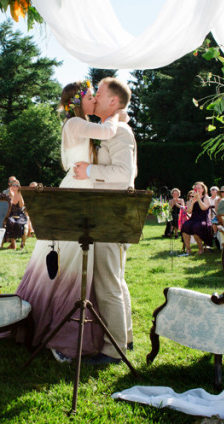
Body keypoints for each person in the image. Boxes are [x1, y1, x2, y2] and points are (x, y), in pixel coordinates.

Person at [15, 79, 125, 363]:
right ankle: (62, 329)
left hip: (87, 188)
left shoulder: (83, 124)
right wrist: (118, 115)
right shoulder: (74, 124)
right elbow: (108, 129)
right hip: (79, 190)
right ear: (79, 101)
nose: (95, 98)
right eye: (91, 95)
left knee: (81, 265)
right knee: (69, 264)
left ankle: (100, 334)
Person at [73, 77, 136, 365]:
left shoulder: (121, 132)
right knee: (116, 279)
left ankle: (112, 351)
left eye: (98, 93)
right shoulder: (112, 130)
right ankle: (126, 339)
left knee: (107, 282)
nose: (94, 97)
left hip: (112, 214)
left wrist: (90, 171)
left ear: (113, 101)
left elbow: (124, 174)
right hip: (111, 213)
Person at [180, 182, 213, 254]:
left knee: (196, 227)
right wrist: (192, 202)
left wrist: (198, 199)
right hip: (193, 218)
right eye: (196, 188)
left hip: (203, 219)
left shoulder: (206, 198)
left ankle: (200, 249)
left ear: (203, 189)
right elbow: (188, 211)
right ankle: (188, 249)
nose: (197, 190)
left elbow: (204, 208)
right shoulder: (192, 198)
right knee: (185, 225)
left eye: (199, 188)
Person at [4, 180, 27, 249]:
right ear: (11, 186)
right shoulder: (7, 194)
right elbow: (8, 206)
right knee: (11, 222)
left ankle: (20, 244)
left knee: (18, 223)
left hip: (19, 214)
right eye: (14, 185)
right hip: (10, 214)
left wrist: (19, 194)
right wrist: (11, 195)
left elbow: (21, 205)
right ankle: (13, 244)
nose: (15, 187)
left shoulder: (20, 194)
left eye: (17, 185)